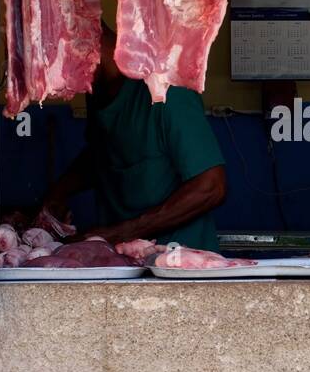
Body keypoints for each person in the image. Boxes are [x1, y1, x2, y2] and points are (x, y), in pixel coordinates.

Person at [40, 23, 227, 251]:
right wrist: (56, 195)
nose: (59, 85)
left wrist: (119, 233)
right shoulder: (99, 92)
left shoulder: (166, 91)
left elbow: (210, 187)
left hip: (179, 265)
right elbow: (107, 153)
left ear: (88, 51)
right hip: (121, 264)